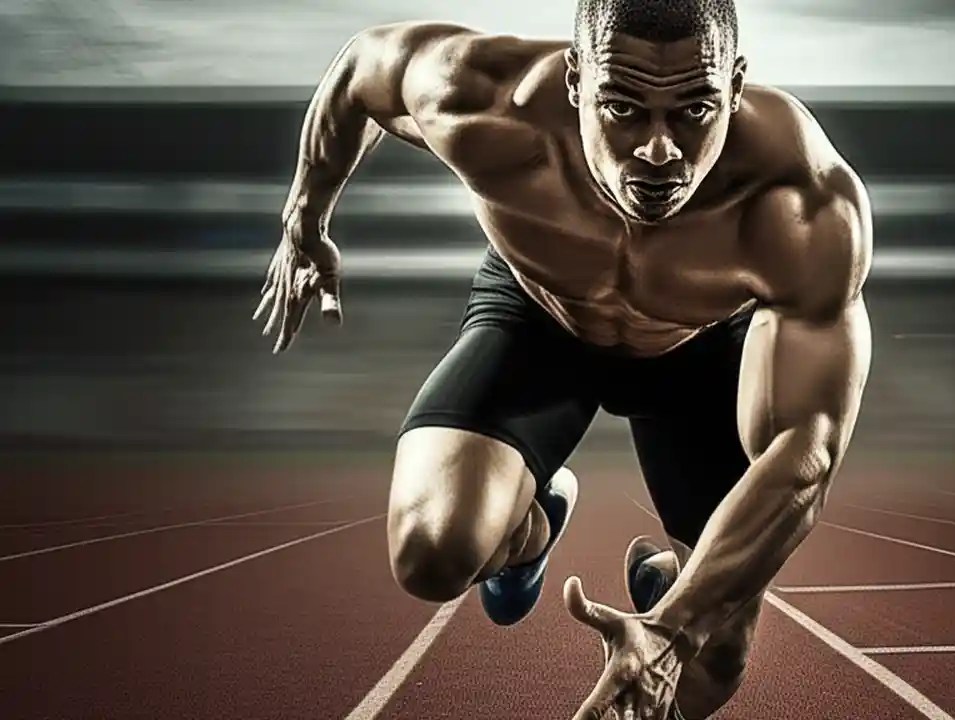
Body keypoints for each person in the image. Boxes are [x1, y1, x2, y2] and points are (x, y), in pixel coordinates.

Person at [254, 0, 872, 717]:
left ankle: (665, 576)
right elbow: (363, 68)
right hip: (541, 314)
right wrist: (305, 216)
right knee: (429, 554)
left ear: (735, 86)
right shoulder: (484, 103)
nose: (658, 150)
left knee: (709, 672)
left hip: (698, 351)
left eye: (694, 111)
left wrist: (671, 628)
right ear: (576, 80)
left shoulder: (803, 202)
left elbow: (804, 456)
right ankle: (531, 530)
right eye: (624, 108)